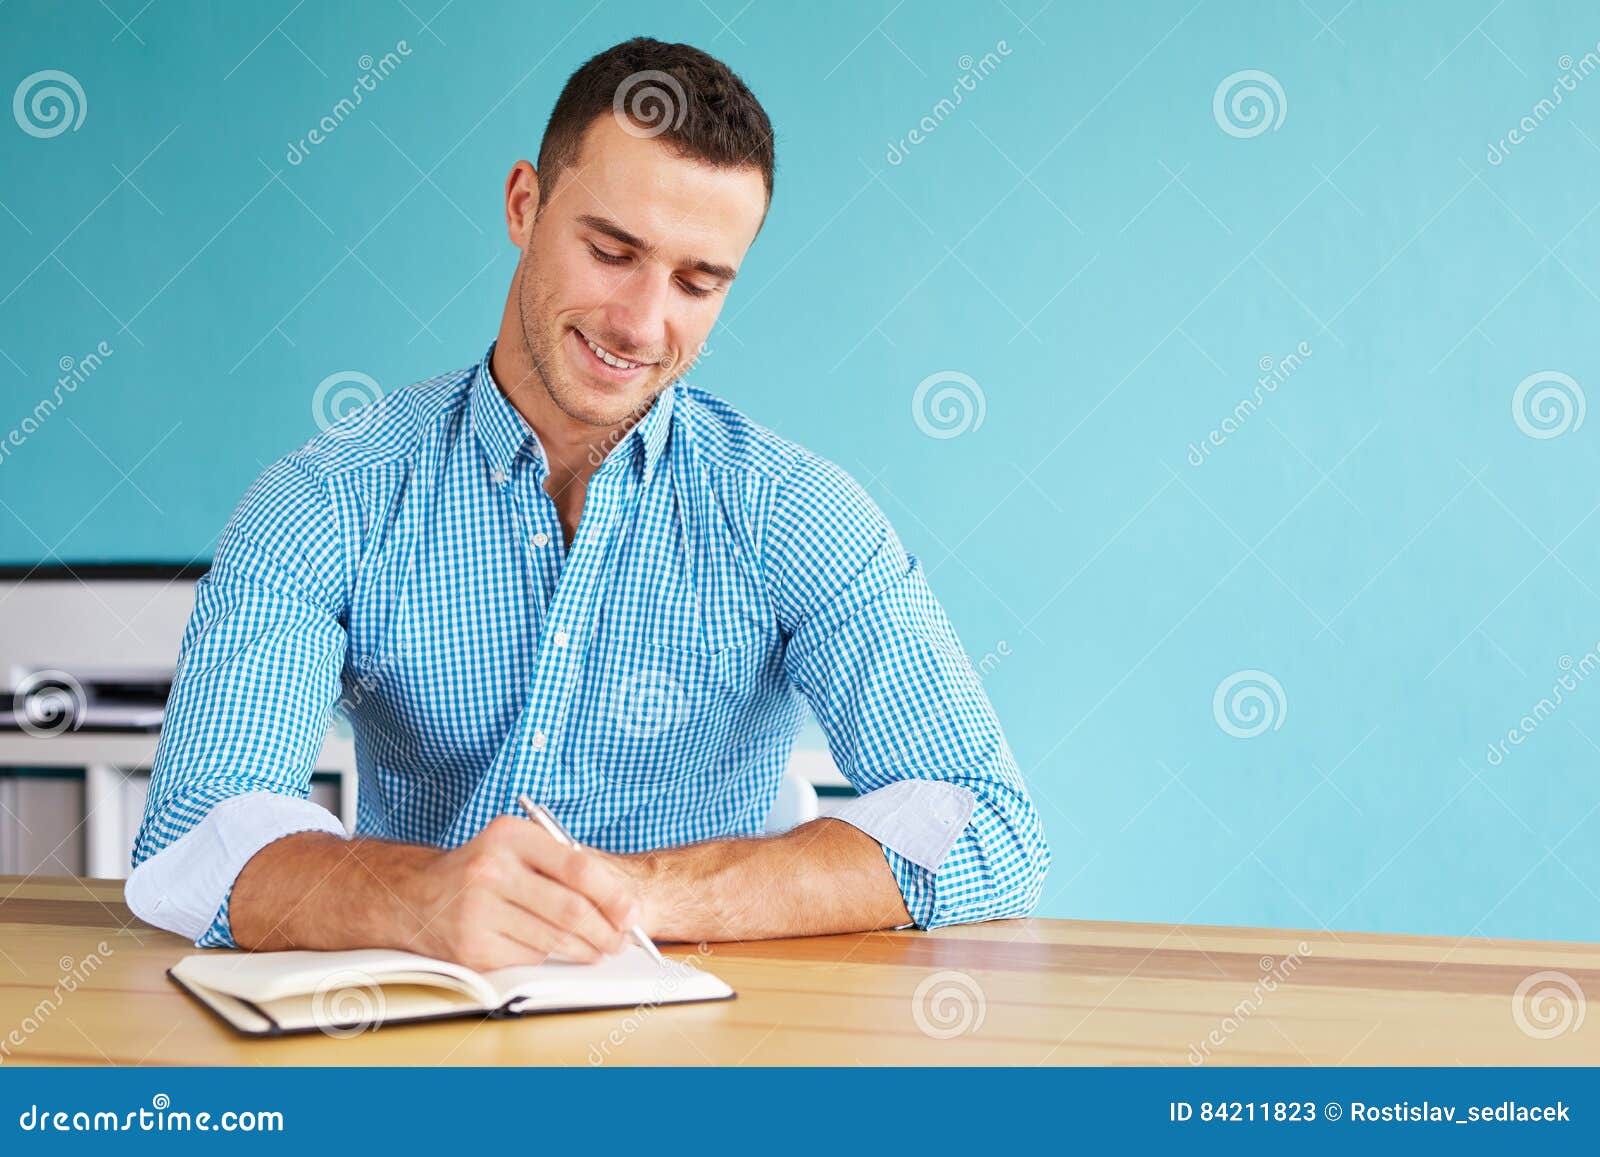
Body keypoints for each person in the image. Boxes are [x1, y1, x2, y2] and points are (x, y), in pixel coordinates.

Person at [127, 37, 1049, 970]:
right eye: (612, 251)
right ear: (525, 204)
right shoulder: (327, 499)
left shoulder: (794, 512)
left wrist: (633, 893)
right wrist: (426, 898)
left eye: (698, 283)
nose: (642, 324)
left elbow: (987, 824)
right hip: (418, 1035)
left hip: (712, 1043)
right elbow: (199, 838)